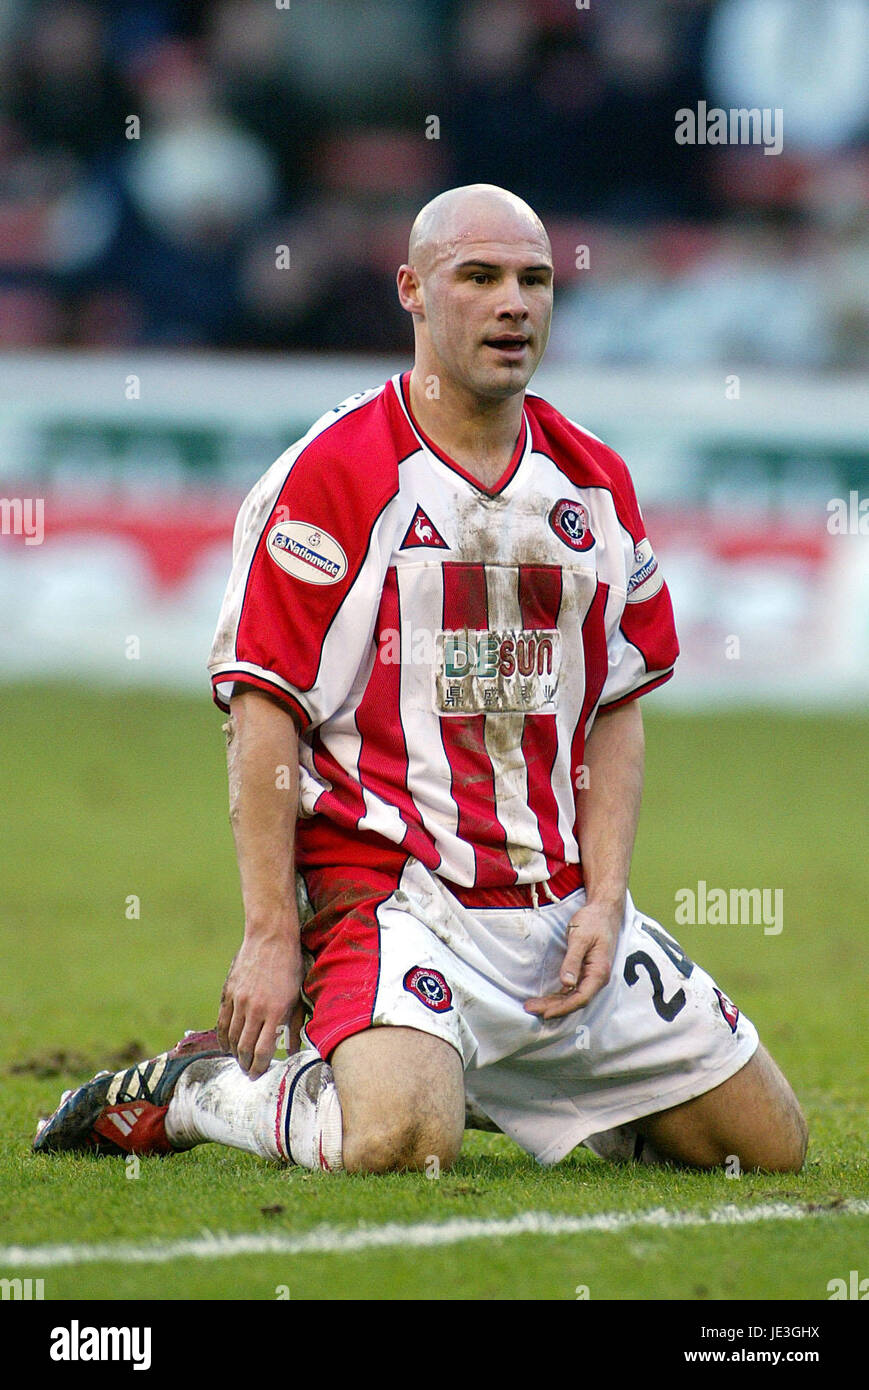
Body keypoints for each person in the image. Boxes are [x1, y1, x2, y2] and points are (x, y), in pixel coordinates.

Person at [34, 185, 807, 1175]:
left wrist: (607, 900)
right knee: (397, 1143)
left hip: (553, 902)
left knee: (761, 1151)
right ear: (410, 290)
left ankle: (478, 1076)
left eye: (532, 279)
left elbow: (616, 708)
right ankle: (206, 1090)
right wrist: (272, 932)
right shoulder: (333, 472)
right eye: (477, 277)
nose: (512, 304)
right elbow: (264, 710)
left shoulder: (593, 484)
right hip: (392, 894)